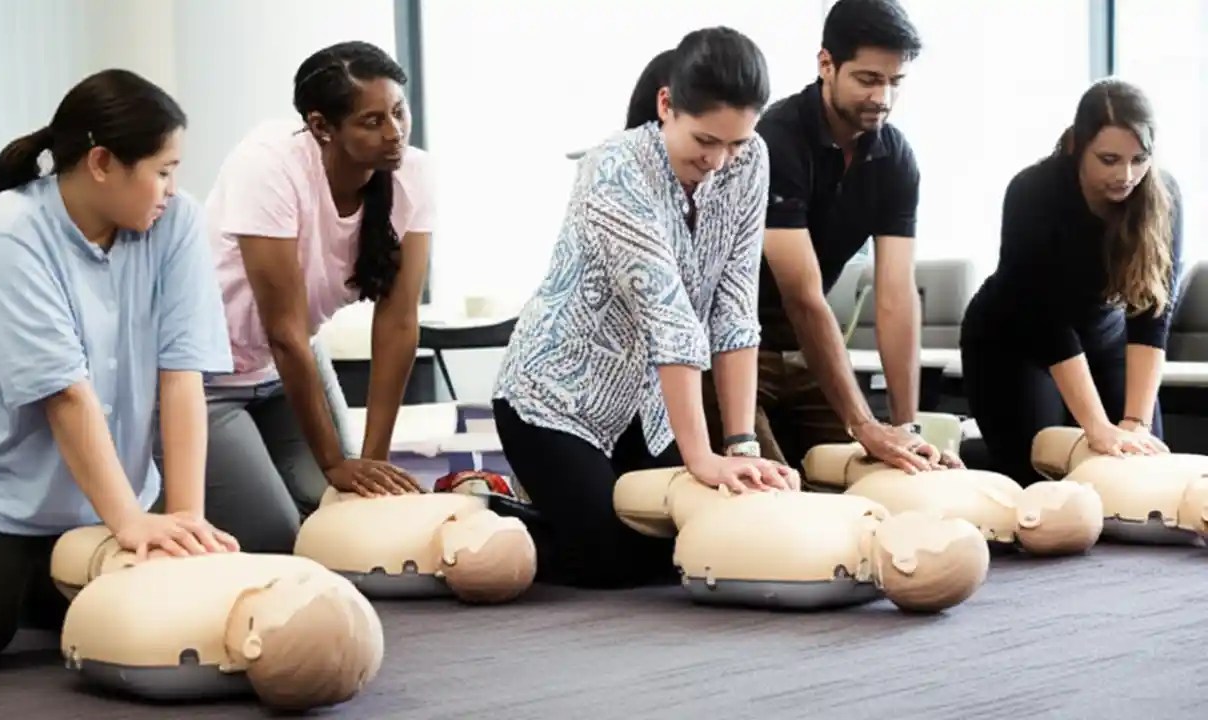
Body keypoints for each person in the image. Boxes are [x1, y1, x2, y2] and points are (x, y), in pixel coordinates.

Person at [0, 69, 238, 672]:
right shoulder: (10, 234)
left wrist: (185, 525)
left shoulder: (176, 223)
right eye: (162, 171)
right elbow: (66, 397)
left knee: (185, 576)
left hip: (111, 497)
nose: (172, 189)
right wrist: (130, 525)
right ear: (102, 163)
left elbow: (182, 377)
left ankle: (55, 581)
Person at [492, 27, 800, 590]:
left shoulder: (750, 160)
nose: (718, 160)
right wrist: (702, 458)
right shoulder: (613, 167)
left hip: (649, 409)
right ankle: (492, 515)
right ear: (666, 105)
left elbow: (735, 306)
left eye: (734, 143)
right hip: (556, 399)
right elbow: (669, 315)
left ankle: (557, 511)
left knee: (682, 542)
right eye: (705, 140)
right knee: (611, 562)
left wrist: (741, 446)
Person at [702, 0, 956, 478]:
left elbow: (896, 297)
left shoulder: (895, 159)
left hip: (805, 359)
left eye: (895, 81)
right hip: (731, 351)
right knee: (773, 489)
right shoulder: (775, 142)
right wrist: (862, 422)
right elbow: (803, 297)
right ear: (826, 65)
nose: (882, 97)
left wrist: (906, 429)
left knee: (895, 473)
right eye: (868, 79)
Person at [201, 40, 432, 554]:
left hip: (286, 369)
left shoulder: (413, 174)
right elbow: (283, 330)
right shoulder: (268, 165)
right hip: (205, 379)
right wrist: (332, 461)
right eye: (372, 121)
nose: (394, 132)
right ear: (322, 126)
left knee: (344, 514)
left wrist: (371, 465)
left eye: (399, 112)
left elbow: (398, 321)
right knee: (277, 536)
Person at [959, 78, 1181, 487]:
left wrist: (1135, 422)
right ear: (1078, 145)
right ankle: (977, 453)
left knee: (1139, 471)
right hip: (1016, 342)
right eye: (1109, 159)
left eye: (1139, 159)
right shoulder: (1032, 191)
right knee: (1046, 481)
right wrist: (1097, 425)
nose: (1126, 175)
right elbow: (1049, 323)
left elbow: (1152, 314)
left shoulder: (1162, 195)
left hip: (1103, 339)